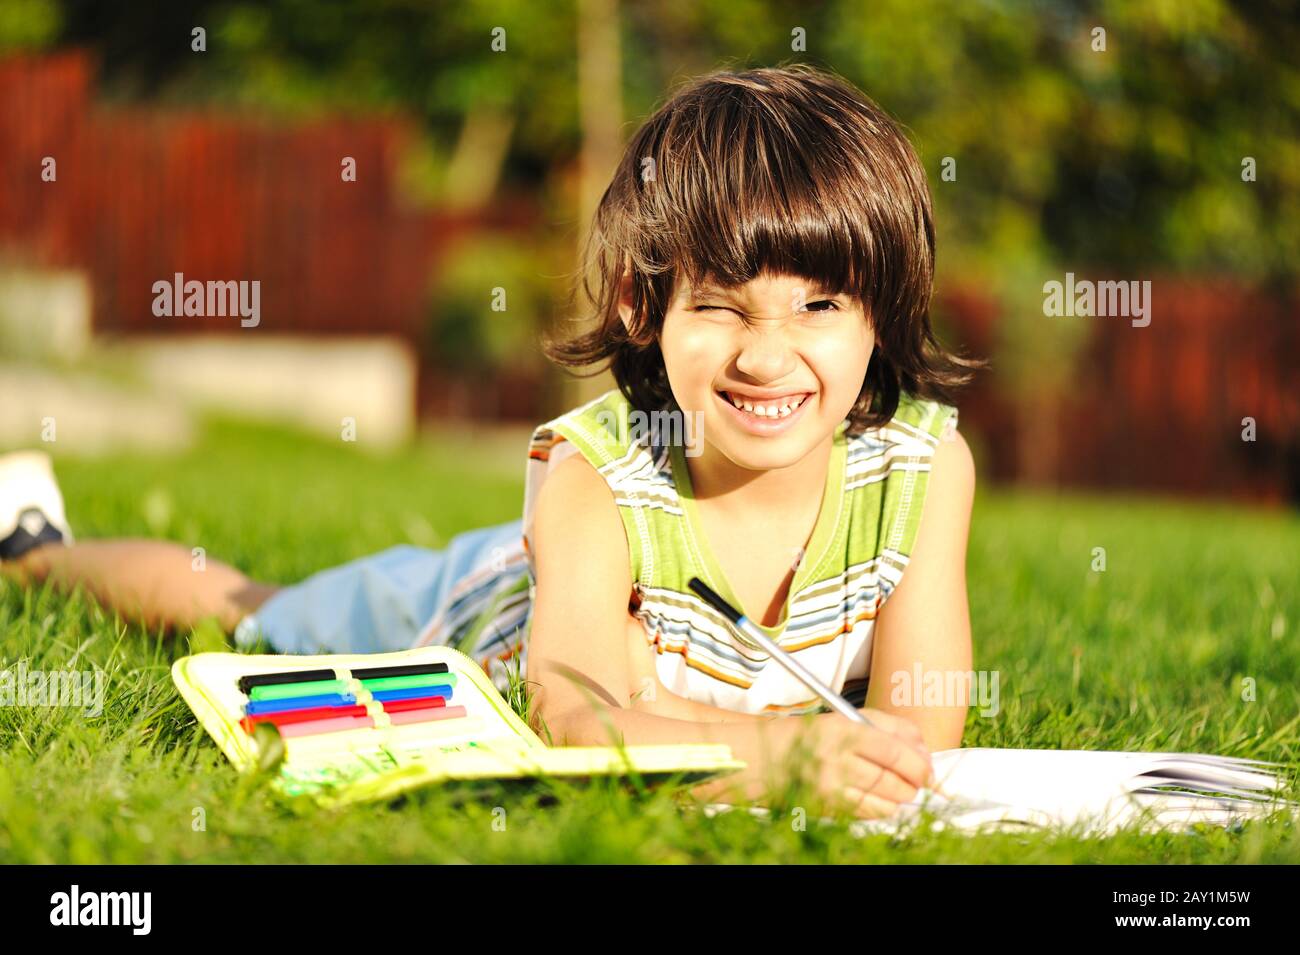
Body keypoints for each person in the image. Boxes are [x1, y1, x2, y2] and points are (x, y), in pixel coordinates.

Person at [0, 64, 980, 820]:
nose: (768, 357)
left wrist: (688, 724)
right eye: (720, 305)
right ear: (644, 306)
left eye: (818, 305)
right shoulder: (598, 481)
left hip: (605, 628)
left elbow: (919, 729)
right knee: (250, 610)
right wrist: (780, 756)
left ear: (880, 314)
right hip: (486, 610)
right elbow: (576, 722)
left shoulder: (925, 472)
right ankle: (36, 550)